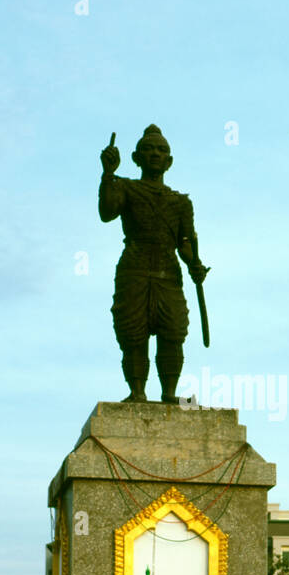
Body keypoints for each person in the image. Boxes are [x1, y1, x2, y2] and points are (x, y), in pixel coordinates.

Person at [98, 125, 209, 403]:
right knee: (133, 331)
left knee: (172, 331)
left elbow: (185, 242)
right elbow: (107, 212)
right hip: (134, 269)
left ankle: (169, 393)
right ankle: (137, 392)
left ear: (169, 161)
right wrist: (108, 174)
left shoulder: (180, 202)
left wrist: (194, 263)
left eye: (162, 150)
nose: (155, 154)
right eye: (149, 149)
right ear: (136, 157)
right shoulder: (125, 187)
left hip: (168, 272)